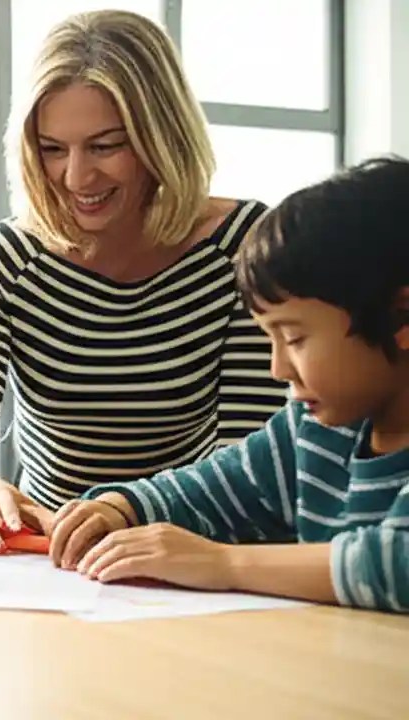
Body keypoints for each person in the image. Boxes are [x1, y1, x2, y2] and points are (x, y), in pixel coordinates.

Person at [0, 10, 287, 554]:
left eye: (105, 146)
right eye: (52, 149)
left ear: (161, 135)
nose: (76, 177)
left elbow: (249, 451)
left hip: (189, 545)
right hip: (46, 557)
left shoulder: (243, 247)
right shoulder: (5, 259)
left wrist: (124, 513)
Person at [45, 156, 409, 612]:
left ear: (401, 317)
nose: (278, 368)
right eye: (270, 339)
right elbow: (220, 487)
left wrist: (225, 563)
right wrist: (124, 507)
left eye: (294, 338)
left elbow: (396, 563)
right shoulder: (315, 429)